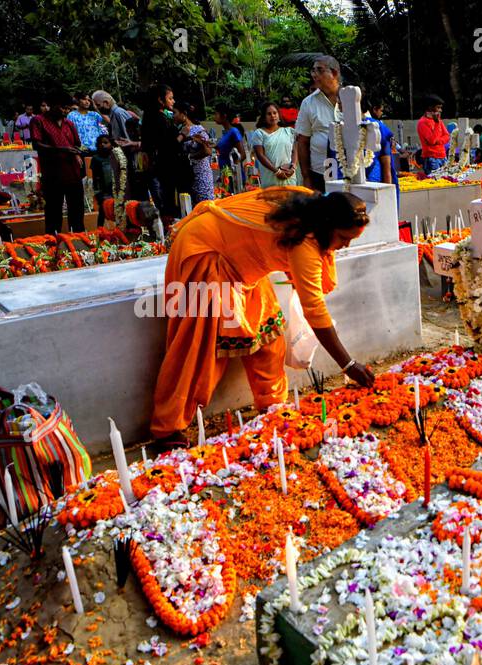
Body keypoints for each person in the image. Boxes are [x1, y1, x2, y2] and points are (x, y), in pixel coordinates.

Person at [150, 186, 376, 448]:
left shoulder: (313, 209)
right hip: (206, 252)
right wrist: (348, 365)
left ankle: (272, 406)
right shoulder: (305, 243)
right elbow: (315, 309)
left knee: (268, 335)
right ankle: (167, 428)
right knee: (200, 346)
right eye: (343, 238)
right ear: (328, 225)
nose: (345, 245)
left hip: (243, 266)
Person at [29, 90, 86, 235]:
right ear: (52, 105)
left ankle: (79, 242)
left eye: (68, 108)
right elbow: (37, 145)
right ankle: (53, 244)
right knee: (54, 212)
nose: (66, 111)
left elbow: (77, 144)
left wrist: (77, 152)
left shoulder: (69, 124)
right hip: (53, 174)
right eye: (63, 108)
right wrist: (61, 149)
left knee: (77, 212)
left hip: (73, 173)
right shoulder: (39, 121)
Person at [295, 56, 343, 191]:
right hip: (319, 174)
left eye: (320, 70)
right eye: (313, 71)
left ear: (334, 73)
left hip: (351, 172)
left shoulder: (351, 97)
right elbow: (302, 141)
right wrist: (306, 177)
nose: (314, 75)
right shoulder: (308, 103)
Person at [140, 83, 184, 217]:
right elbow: (168, 145)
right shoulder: (158, 119)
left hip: (160, 165)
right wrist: (183, 135)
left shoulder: (152, 116)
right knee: (169, 200)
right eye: (170, 98)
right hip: (166, 165)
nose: (173, 101)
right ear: (160, 100)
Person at [249, 102, 299, 187]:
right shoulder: (259, 133)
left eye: (275, 113)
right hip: (270, 180)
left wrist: (293, 168)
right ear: (264, 117)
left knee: (291, 200)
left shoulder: (289, 131)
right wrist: (277, 171)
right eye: (269, 114)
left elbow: (294, 151)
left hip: (289, 178)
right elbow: (260, 155)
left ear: (279, 115)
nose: (272, 116)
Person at [175, 102, 214, 203]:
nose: (173, 116)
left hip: (200, 174)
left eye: (175, 113)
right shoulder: (180, 130)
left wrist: (190, 157)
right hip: (188, 176)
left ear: (184, 114)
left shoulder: (199, 130)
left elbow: (208, 151)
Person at [360, 96, 394, 184]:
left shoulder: (379, 127)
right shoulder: (340, 128)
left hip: (374, 182)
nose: (340, 108)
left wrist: (388, 190)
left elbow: (386, 164)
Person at [89, 133, 118, 225]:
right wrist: (98, 193)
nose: (103, 145)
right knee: (102, 212)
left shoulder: (115, 156)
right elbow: (95, 178)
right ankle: (100, 232)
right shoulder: (96, 158)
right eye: (100, 143)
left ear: (111, 144)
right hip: (104, 192)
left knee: (118, 212)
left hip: (116, 190)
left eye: (106, 142)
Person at [416, 97, 449, 175]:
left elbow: (447, 136)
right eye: (438, 107)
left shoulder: (439, 121)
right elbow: (432, 140)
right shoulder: (423, 122)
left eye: (441, 108)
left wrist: (438, 141)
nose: (440, 110)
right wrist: (437, 124)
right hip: (431, 158)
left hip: (443, 156)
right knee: (436, 184)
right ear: (430, 108)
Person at [214, 106, 245, 173]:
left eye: (216, 114)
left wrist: (233, 169)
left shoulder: (234, 131)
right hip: (225, 174)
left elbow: (242, 155)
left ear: (224, 116)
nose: (214, 117)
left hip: (233, 176)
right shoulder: (225, 132)